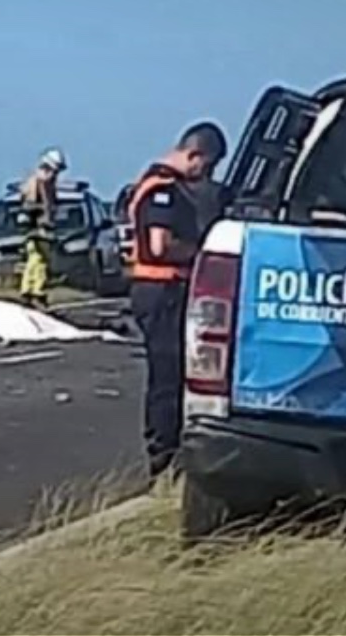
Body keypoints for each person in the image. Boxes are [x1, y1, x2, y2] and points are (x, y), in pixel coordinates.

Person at [128, 120, 228, 480]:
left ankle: (167, 452)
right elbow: (160, 245)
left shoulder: (154, 184)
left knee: (172, 375)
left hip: (159, 291)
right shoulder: (163, 190)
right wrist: (203, 252)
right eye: (209, 165)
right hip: (162, 291)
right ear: (194, 154)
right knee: (168, 377)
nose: (207, 174)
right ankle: (163, 456)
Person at [18, 147, 68, 308]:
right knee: (38, 260)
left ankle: (29, 291)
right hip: (36, 228)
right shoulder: (37, 182)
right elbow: (30, 206)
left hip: (42, 228)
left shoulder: (47, 184)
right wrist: (38, 221)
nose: (55, 175)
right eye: (54, 170)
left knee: (37, 260)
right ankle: (34, 292)